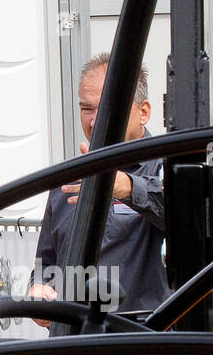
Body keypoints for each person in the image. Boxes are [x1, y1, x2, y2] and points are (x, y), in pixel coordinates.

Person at [29, 53, 169, 318]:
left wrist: (125, 187)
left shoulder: (167, 168)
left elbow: (185, 217)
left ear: (144, 112)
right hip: (76, 347)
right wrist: (40, 293)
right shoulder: (68, 180)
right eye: (87, 109)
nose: (94, 121)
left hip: (146, 346)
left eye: (106, 108)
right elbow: (46, 265)